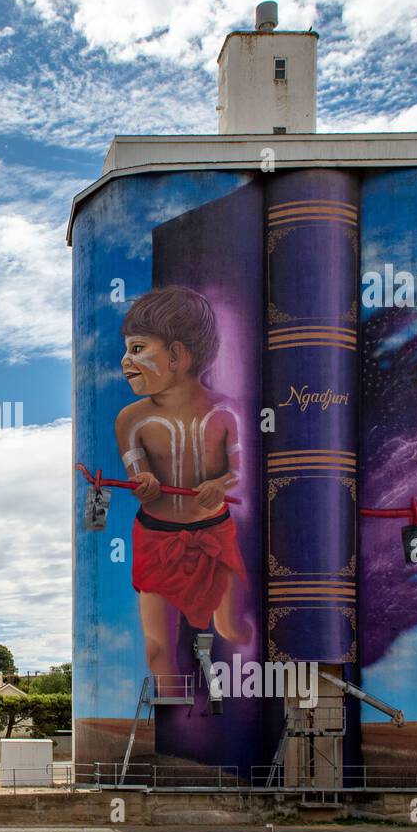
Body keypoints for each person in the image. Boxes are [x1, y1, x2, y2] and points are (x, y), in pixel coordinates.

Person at [113, 286, 251, 686]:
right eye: (127, 349)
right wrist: (146, 483)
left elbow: (237, 472)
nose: (126, 361)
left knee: (232, 628)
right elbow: (138, 475)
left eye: (138, 349)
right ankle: (172, 724)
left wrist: (218, 484)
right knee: (157, 649)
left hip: (213, 536)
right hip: (156, 540)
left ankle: (253, 699)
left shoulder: (226, 411)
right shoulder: (129, 420)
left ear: (177, 355)